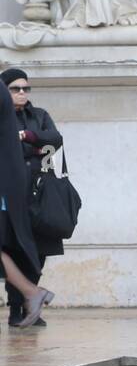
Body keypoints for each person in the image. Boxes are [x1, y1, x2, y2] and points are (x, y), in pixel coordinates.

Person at [4, 68, 63, 328]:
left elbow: (54, 139)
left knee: (37, 251)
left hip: (38, 193)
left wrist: (27, 137)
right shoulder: (5, 117)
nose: (22, 93)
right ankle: (18, 306)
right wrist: (33, 146)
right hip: (10, 194)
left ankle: (31, 299)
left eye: (25, 88)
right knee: (13, 248)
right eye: (16, 89)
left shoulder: (38, 116)